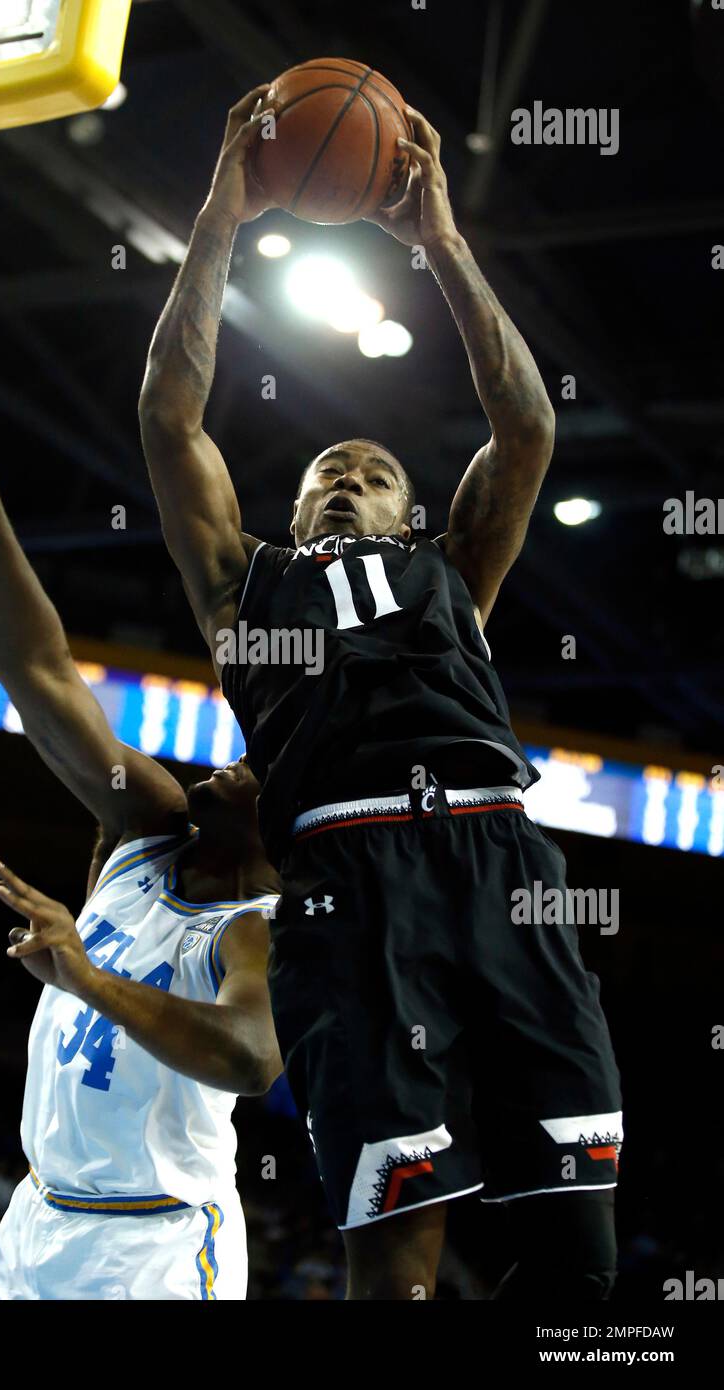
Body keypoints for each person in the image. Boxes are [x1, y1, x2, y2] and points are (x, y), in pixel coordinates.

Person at [137, 89, 622, 1300]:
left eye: (372, 471)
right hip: (347, 883)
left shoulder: (450, 567)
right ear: (298, 511)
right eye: (326, 471)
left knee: (577, 1250)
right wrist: (220, 215)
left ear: (410, 511)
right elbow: (166, 413)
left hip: (496, 858)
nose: (348, 477)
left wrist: (442, 246)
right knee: (394, 1251)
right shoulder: (241, 584)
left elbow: (522, 428)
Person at [0, 413, 282, 1301]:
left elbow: (252, 1059)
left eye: (257, 759)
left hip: (158, 1245)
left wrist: (86, 977)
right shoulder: (149, 826)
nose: (232, 752)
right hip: (40, 1220)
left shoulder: (259, 928)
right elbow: (38, 670)